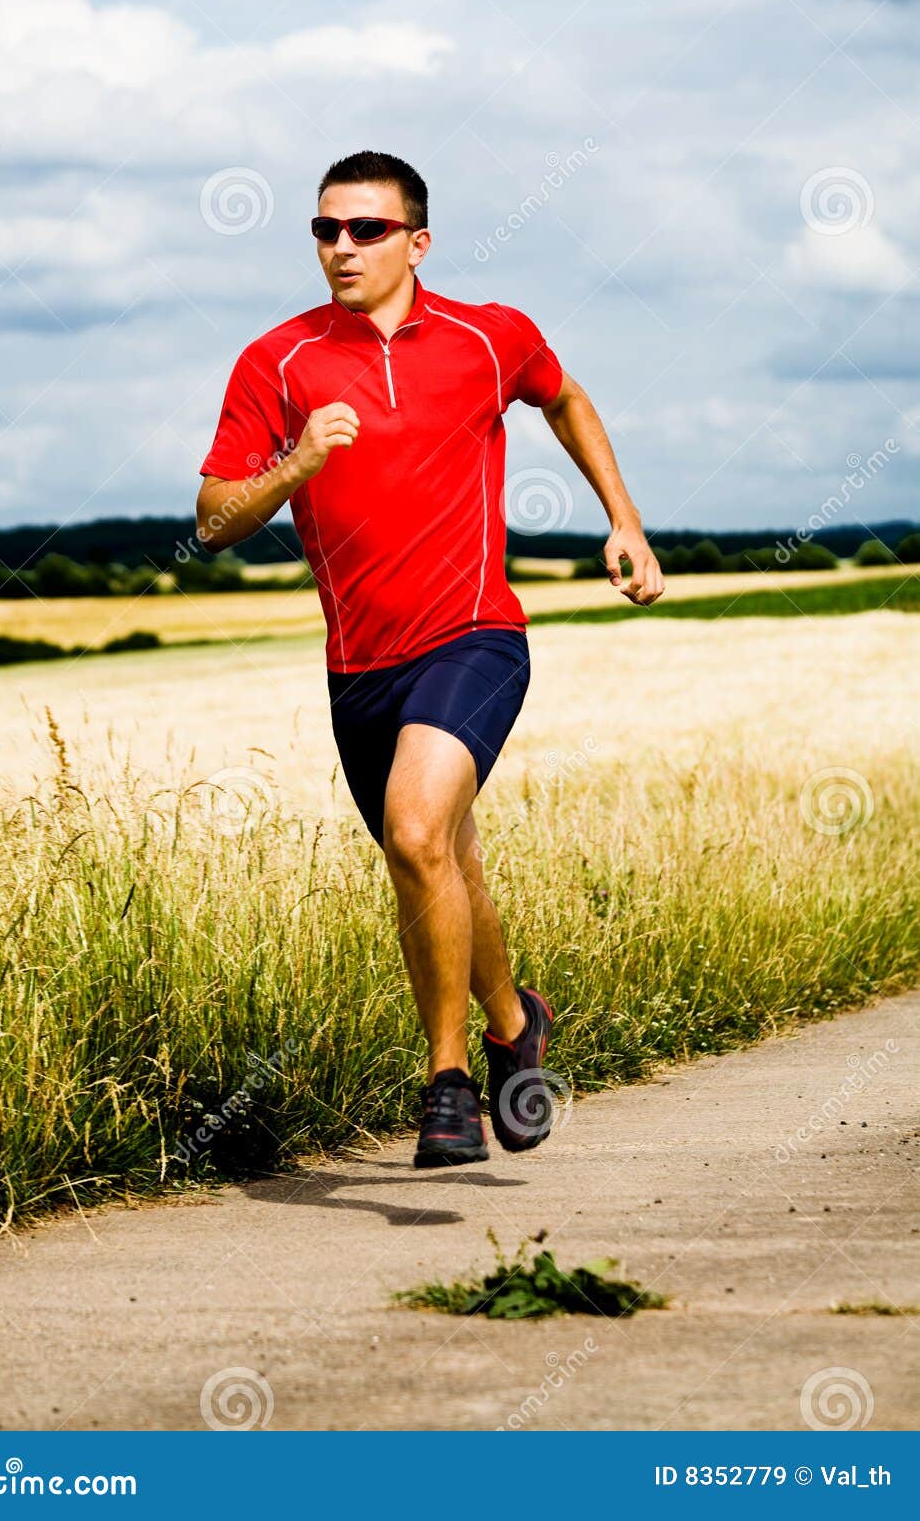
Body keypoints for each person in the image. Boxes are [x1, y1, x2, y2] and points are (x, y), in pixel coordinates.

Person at [196, 150, 665, 1170]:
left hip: (474, 635)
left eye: (364, 230)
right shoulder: (275, 362)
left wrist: (622, 522)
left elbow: (566, 399)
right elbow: (213, 520)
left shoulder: (487, 336)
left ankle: (445, 1082)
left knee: (415, 830)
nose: (340, 248)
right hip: (358, 667)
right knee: (439, 862)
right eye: (324, 230)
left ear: (416, 240)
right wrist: (298, 462)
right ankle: (513, 1025)